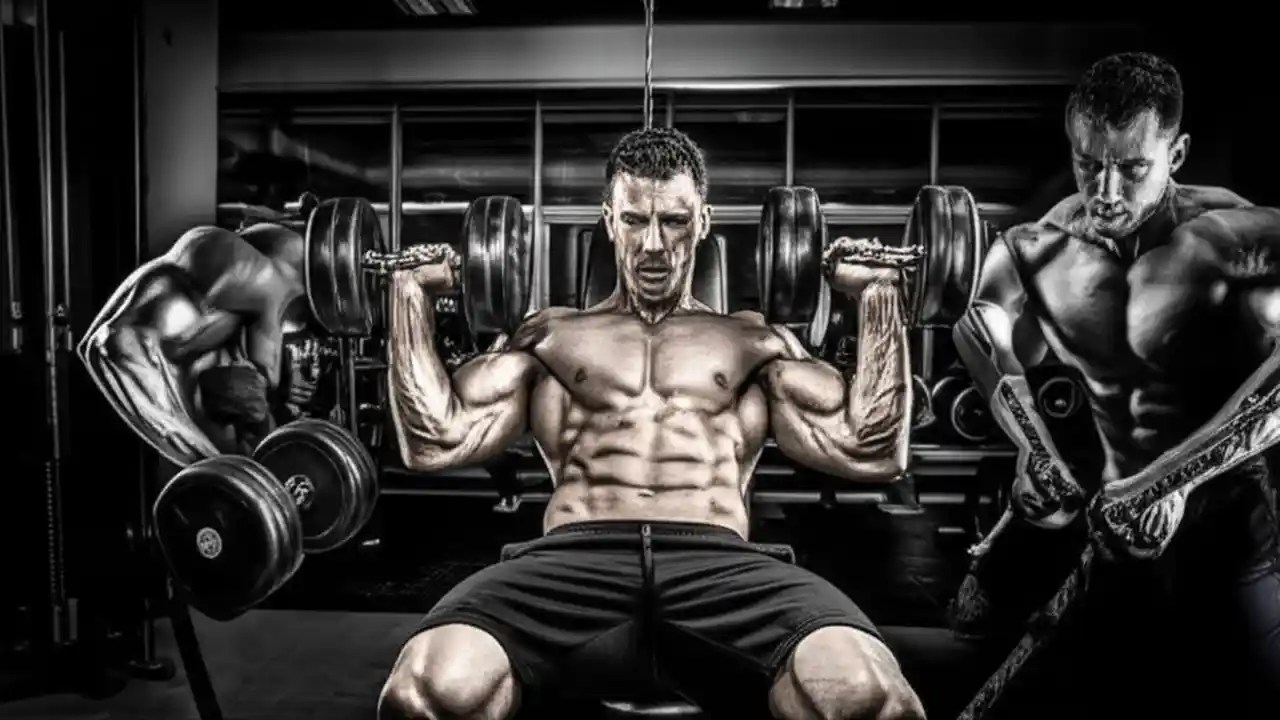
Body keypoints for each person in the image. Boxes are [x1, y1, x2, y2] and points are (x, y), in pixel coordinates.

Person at [378, 127, 927, 720]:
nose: (655, 246)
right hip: (572, 558)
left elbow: (871, 451)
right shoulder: (550, 337)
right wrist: (409, 295)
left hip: (716, 559)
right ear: (609, 221)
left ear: (704, 221)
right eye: (636, 220)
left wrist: (878, 295)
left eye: (675, 221)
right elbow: (434, 440)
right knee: (421, 694)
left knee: (872, 700)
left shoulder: (754, 340)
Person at [953, 51, 1280, 719]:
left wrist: (1171, 479)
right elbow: (981, 336)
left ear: (1177, 152)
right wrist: (1033, 448)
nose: (1105, 191)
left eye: (1132, 169)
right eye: (1087, 163)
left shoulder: (1238, 239)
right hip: (1112, 526)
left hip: (1227, 520)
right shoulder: (1036, 250)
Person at [78, 219, 323, 467]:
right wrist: (291, 391)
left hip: (123, 324)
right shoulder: (278, 287)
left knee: (241, 399)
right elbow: (266, 375)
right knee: (250, 453)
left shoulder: (273, 244)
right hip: (141, 356)